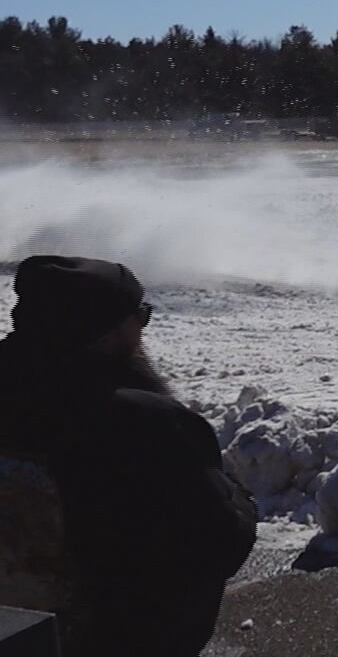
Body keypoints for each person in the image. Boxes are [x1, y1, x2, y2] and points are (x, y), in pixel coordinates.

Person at [0, 256, 258, 657]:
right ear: (102, 333)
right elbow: (218, 543)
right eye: (140, 314)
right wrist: (235, 493)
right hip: (103, 636)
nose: (142, 326)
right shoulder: (147, 425)